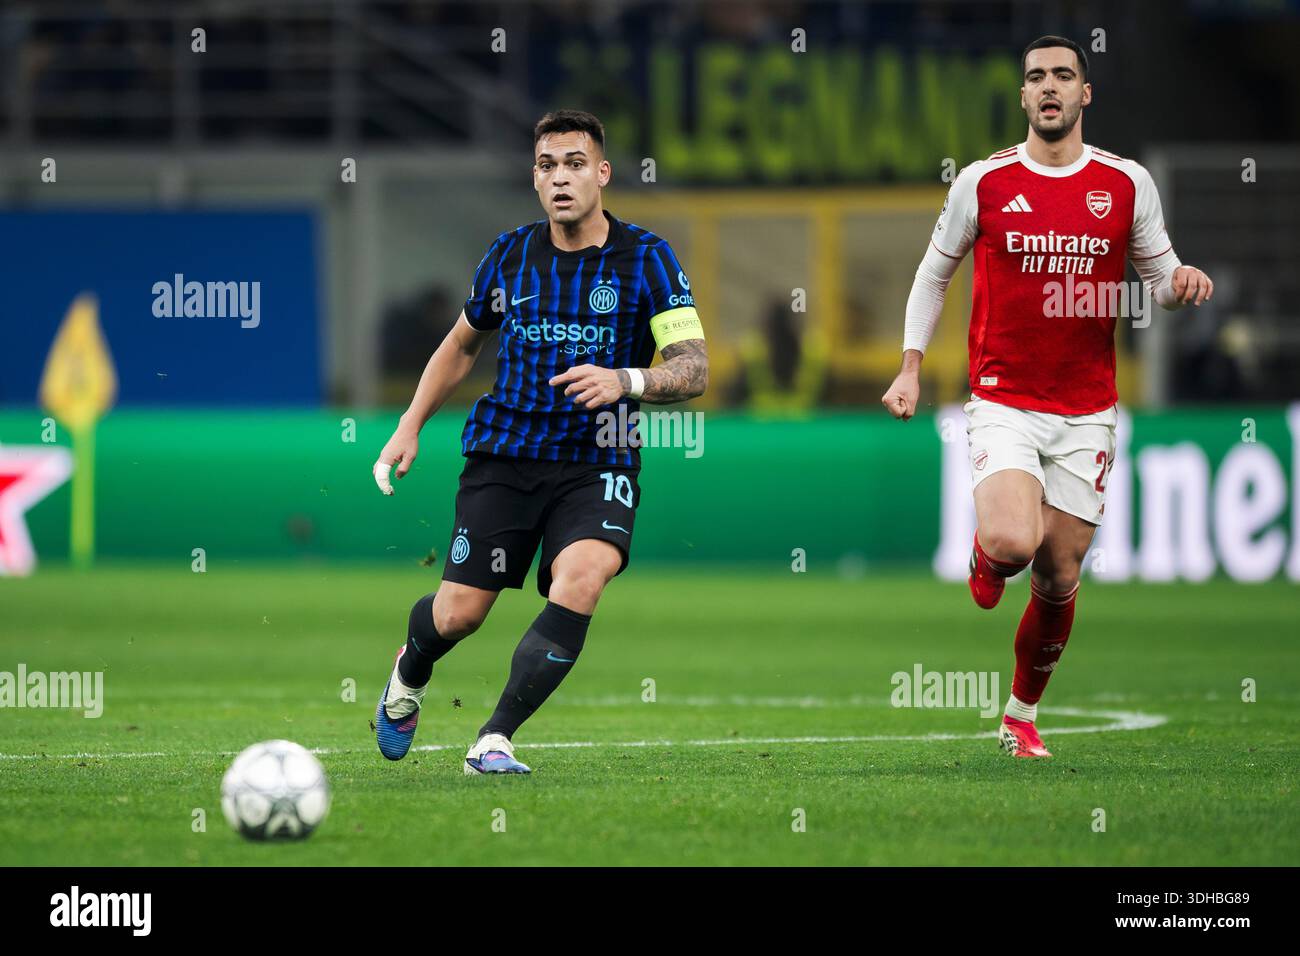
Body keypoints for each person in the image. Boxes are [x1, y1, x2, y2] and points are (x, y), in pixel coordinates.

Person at [881, 36, 1213, 757]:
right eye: (1037, 78)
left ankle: (1020, 715)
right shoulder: (984, 181)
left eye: (1064, 75)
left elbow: (1160, 276)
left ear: (1084, 94)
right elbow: (933, 275)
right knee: (1010, 539)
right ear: (1024, 97)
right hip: (1004, 397)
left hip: (1088, 407)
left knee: (1059, 574)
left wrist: (1180, 285)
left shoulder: (1126, 184)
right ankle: (987, 557)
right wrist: (910, 367)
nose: (1050, 87)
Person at [370, 109, 708, 774]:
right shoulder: (510, 256)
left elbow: (695, 366)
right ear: (534, 178)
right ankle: (407, 676)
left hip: (600, 455)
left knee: (583, 578)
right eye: (548, 165)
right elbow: (462, 345)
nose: (562, 178)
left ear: (602, 174)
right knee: (460, 615)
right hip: (507, 453)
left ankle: (493, 738)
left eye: (576, 164)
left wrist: (627, 378)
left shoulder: (648, 259)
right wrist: (409, 426)